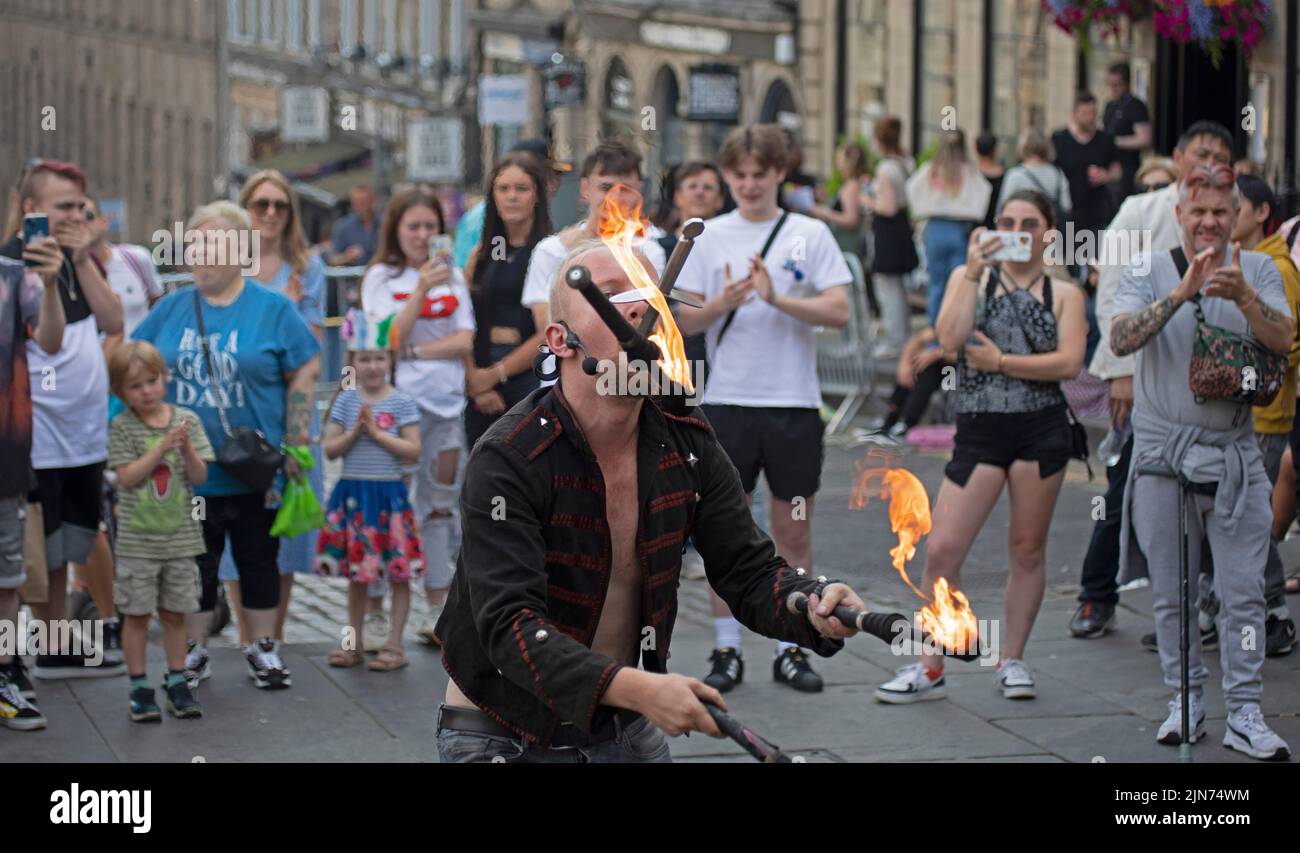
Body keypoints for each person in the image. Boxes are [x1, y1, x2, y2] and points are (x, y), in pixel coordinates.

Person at [433, 238, 867, 762]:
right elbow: (511, 628)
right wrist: (644, 690)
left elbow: (747, 571)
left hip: (621, 725)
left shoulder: (683, 436)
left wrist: (808, 605)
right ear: (559, 339)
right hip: (504, 732)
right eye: (610, 296)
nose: (640, 306)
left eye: (647, 293)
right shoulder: (510, 455)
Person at [874, 190, 1087, 704]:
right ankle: (931, 664)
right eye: (1007, 221)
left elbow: (1069, 364)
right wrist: (969, 272)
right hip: (980, 429)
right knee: (942, 548)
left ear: (1049, 232)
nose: (1018, 231)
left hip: (1040, 429)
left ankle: (1012, 658)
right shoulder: (970, 277)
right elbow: (948, 340)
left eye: (1030, 223)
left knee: (1027, 549)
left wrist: (1002, 364)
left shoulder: (1063, 291)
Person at [1109, 163, 1291, 759]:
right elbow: (1120, 338)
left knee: (1242, 595)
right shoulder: (1148, 267)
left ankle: (1244, 711)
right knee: (1172, 593)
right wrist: (1180, 293)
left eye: (1222, 212)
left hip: (1237, 456)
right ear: (1179, 213)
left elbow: (1283, 340)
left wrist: (1246, 299)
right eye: (1199, 211)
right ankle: (1182, 701)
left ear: (1237, 215)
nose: (1210, 222)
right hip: (1165, 456)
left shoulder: (1259, 266)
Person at [675, 123, 853, 694]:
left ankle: (791, 645)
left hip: (793, 403)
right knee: (722, 533)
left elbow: (839, 312)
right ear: (728, 177)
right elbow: (678, 319)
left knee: (792, 532)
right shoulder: (709, 235)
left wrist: (777, 298)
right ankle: (726, 650)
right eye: (741, 175)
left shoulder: (810, 232)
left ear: (780, 173)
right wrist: (723, 302)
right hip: (728, 403)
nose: (750, 185)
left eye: (761, 174)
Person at [133, 200, 320, 691]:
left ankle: (262, 648)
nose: (202, 255)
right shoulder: (170, 308)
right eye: (194, 244)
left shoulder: (273, 309)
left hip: (255, 466)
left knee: (260, 556)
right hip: (189, 468)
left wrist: (296, 439)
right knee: (196, 563)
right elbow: (135, 364)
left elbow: (304, 366)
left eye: (213, 244)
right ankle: (195, 651)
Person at [1070, 120, 1234, 639]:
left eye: (1219, 154)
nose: (1207, 162)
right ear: (1179, 156)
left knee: (1217, 503)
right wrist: (1120, 374)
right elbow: (1113, 288)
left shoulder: (1229, 217)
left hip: (1213, 386)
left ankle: (1207, 604)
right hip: (1146, 377)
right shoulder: (1141, 212)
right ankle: (1097, 595)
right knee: (1127, 488)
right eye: (1199, 152)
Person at [0, 159, 126, 680]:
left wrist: (84, 256)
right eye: (63, 207)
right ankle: (35, 649)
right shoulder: (13, 265)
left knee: (72, 536)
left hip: (83, 433)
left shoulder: (77, 261)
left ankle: (55, 644)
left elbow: (114, 319)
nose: (75, 215)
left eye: (82, 206)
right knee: (35, 549)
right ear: (31, 210)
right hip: (35, 433)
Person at [360, 187, 474, 643]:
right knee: (387, 505)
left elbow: (465, 340)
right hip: (398, 408)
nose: (423, 235)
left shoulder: (456, 278)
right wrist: (419, 292)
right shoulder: (381, 278)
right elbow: (385, 338)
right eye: (414, 226)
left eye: (431, 226)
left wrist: (414, 349)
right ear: (397, 230)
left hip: (446, 406)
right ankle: (374, 610)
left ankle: (436, 607)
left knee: (439, 507)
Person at [1195, 174, 1297, 657]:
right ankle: (1214, 608)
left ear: (1257, 214)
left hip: (1265, 415)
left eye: (1232, 208)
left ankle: (1270, 612)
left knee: (1249, 517)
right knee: (1233, 512)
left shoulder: (1276, 266)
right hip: (1228, 415)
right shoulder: (1218, 263)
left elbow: (1287, 342)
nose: (1218, 219)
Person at [236, 170, 328, 645]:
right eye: (261, 204)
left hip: (291, 409)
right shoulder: (229, 265)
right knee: (234, 515)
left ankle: (273, 635)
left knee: (286, 522)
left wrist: (287, 314)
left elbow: (311, 349)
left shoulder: (306, 268)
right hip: (240, 407)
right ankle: (245, 635)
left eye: (280, 205)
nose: (270, 214)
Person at [107, 341, 213, 721]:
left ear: (164, 379)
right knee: (135, 615)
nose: (147, 391)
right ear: (121, 393)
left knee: (175, 614)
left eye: (152, 381)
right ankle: (138, 685)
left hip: (181, 540)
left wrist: (184, 450)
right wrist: (160, 449)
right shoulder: (122, 427)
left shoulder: (187, 420)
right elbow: (127, 478)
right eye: (136, 386)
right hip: (138, 544)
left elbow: (200, 476)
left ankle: (176, 680)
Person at [317, 309, 423, 671]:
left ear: (389, 360)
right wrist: (355, 433)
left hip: (388, 498)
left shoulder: (402, 401)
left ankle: (395, 644)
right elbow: (329, 449)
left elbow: (413, 451)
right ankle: (354, 642)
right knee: (356, 575)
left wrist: (378, 435)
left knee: (399, 573)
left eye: (379, 358)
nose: (373, 366)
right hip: (354, 497)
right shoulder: (346, 401)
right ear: (353, 362)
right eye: (365, 359)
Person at [0, 237, 66, 730]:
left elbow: (49, 341)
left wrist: (48, 285)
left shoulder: (12, 275)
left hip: (6, 453)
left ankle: (5, 674)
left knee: (6, 580)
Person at [520, 139, 668, 348]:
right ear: (585, 188)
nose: (614, 198)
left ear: (639, 190)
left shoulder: (649, 250)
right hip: (566, 369)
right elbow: (546, 322)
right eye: (605, 187)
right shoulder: (552, 249)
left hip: (624, 370)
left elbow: (649, 320)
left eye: (625, 188)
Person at [463, 152, 551, 451]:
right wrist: (475, 379)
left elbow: (549, 331)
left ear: (537, 195)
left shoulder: (549, 253)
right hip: (479, 380)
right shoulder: (481, 255)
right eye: (503, 189)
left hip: (529, 379)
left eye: (521, 189)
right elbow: (461, 321)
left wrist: (497, 373)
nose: (512, 197)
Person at [906, 129, 992, 325]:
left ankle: (937, 331)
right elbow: (984, 193)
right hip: (959, 229)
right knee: (962, 282)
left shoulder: (932, 169)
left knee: (936, 283)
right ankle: (959, 329)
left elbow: (911, 189)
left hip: (935, 228)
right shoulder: (969, 170)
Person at [453, 139, 565, 270]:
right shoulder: (484, 220)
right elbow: (484, 271)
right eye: (503, 188)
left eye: (521, 188)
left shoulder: (548, 247)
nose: (554, 184)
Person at [863, 116, 919, 357]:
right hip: (902, 228)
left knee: (887, 287)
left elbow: (887, 207)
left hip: (888, 231)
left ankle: (896, 340)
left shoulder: (885, 168)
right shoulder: (907, 161)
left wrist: (866, 200)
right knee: (897, 287)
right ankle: (901, 336)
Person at [1051, 93, 1120, 249]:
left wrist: (1106, 176)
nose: (1090, 118)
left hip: (1097, 212)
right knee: (1070, 261)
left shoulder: (1105, 139)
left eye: (1093, 114)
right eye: (1085, 114)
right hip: (1067, 212)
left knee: (1095, 259)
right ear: (1074, 114)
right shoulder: (1059, 139)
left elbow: (1117, 171)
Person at [87, 198, 162, 337]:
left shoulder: (137, 258)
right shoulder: (66, 272)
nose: (82, 223)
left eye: (88, 216)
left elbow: (158, 305)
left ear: (104, 222)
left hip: (137, 356)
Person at [996, 128, 1072, 223]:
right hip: (1049, 229)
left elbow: (1002, 209)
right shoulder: (1057, 173)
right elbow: (1066, 205)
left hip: (1021, 230)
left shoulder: (1015, 175)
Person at [1101, 62, 1152, 202]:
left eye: (1117, 85)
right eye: (1110, 84)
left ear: (1126, 84)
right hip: (1110, 167)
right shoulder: (1110, 105)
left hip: (1128, 169)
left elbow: (1144, 139)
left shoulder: (1136, 106)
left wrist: (1116, 141)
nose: (1113, 89)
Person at [327, 184, 381, 267]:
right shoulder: (342, 226)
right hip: (352, 278)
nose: (360, 208)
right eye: (356, 204)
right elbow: (332, 259)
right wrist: (346, 257)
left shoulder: (385, 223)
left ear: (373, 201)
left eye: (364, 203)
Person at [975, 131, 1005, 230]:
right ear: (995, 150)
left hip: (975, 226)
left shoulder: (972, 175)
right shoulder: (1005, 175)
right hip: (997, 225)